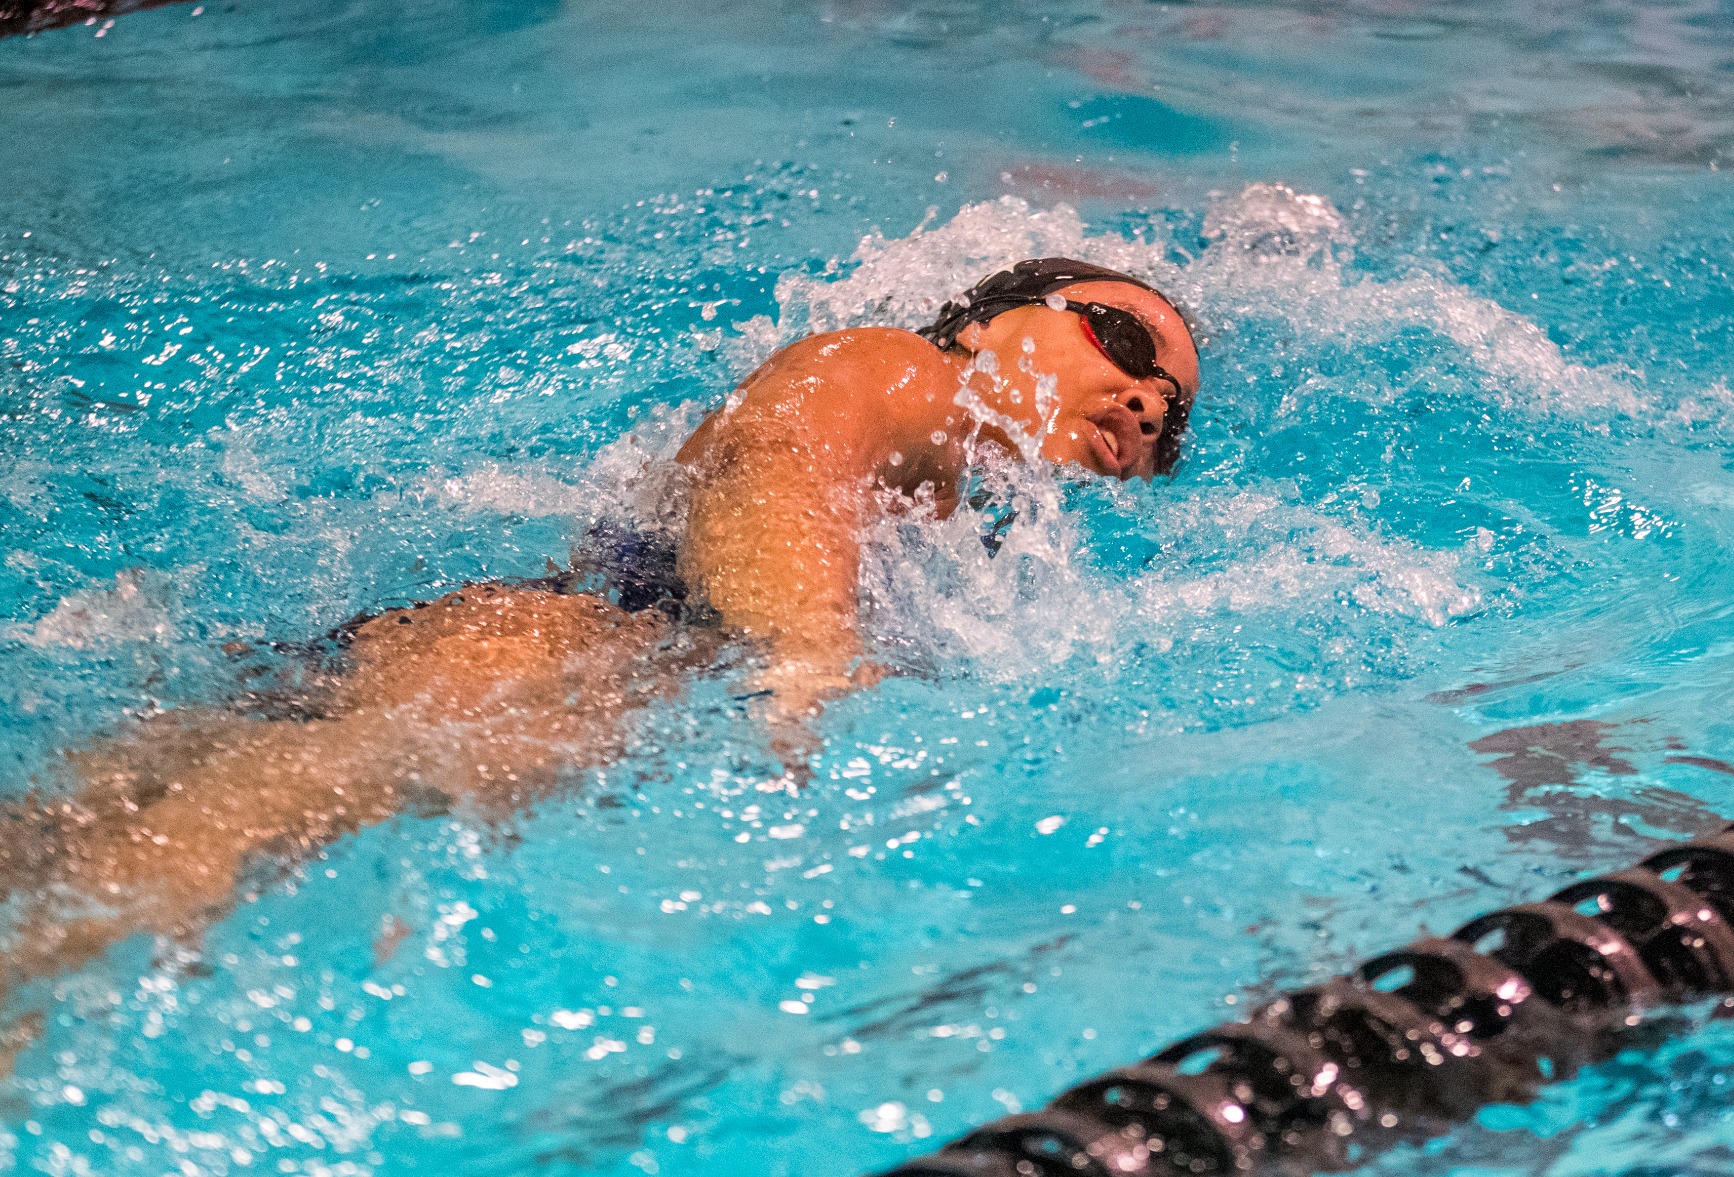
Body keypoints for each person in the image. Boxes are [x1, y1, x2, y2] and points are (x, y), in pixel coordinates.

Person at [0, 257, 1201, 1035]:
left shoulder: (962, 519)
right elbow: (777, 451)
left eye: (1173, 418)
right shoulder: (907, 370)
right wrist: (804, 656)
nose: (1148, 401)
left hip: (510, 644)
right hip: (550, 656)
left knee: (75, 834)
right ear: (990, 320)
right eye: (1120, 339)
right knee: (153, 878)